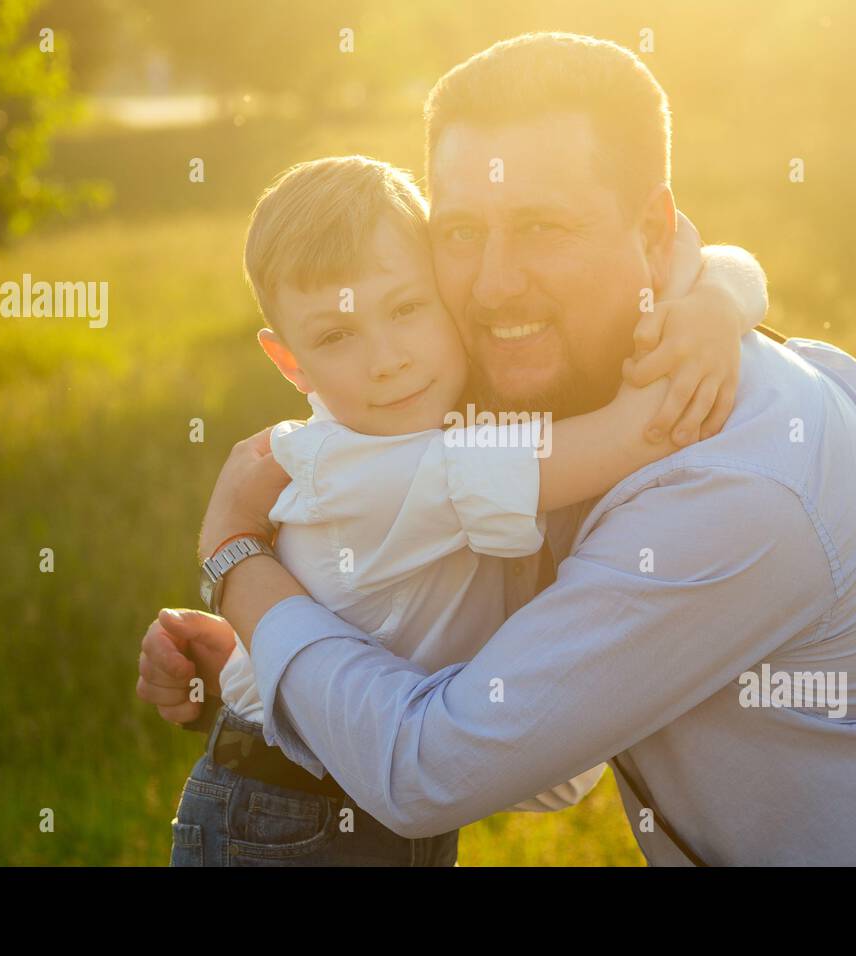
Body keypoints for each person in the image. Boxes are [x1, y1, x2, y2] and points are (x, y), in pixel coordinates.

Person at [141, 32, 856, 865]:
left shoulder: (727, 482)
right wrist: (268, 666)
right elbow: (546, 747)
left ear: (650, 228)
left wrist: (240, 562)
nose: (492, 285)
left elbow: (428, 768)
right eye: (459, 233)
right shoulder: (603, 379)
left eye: (541, 225)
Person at [165, 152, 769, 865]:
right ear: (290, 362)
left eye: (408, 309)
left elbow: (733, 262)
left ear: (449, 298)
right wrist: (706, 324)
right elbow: (638, 433)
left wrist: (717, 300)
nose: (386, 359)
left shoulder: (441, 422)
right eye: (336, 336)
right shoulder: (363, 465)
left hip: (370, 798)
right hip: (285, 816)